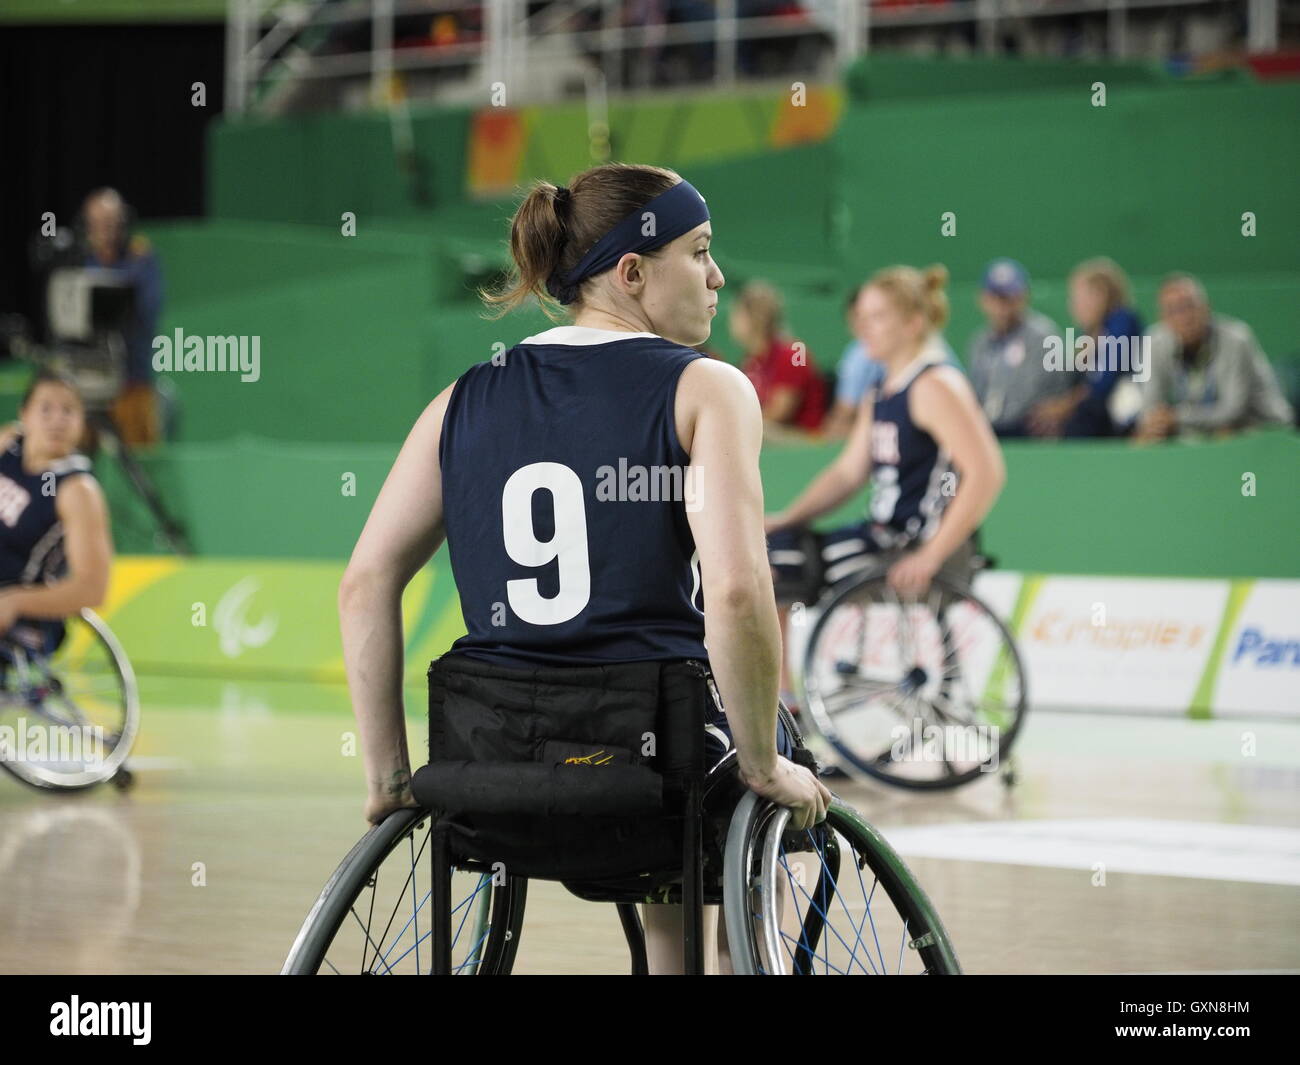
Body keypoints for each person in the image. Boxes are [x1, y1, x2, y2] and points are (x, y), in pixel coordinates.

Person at [338, 163, 831, 975]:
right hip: (649, 760)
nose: (717, 277)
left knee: (668, 748)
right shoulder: (708, 388)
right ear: (632, 272)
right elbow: (740, 592)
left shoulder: (462, 397)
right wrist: (760, 761)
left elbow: (364, 583)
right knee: (755, 771)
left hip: (492, 764)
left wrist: (390, 776)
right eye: (700, 252)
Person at [765, 265, 1006, 705]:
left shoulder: (934, 384)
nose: (862, 326)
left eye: (876, 316)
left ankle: (786, 707)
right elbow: (847, 474)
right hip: (883, 536)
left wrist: (931, 556)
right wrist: (788, 516)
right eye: (861, 315)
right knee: (775, 545)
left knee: (777, 560)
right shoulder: (881, 391)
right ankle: (784, 699)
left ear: (914, 323)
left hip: (919, 545)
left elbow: (987, 473)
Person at [0, 370, 113, 651]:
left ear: (82, 422)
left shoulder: (77, 490)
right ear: (24, 414)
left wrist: (13, 601)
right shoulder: (8, 444)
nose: (57, 420)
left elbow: (92, 588)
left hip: (21, 613)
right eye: (46, 408)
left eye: (68, 411)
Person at [1134, 273, 1293, 441]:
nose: (1184, 317)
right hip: (1205, 433)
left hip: (1266, 431)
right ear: (1163, 318)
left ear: (1206, 307)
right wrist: (1156, 423)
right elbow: (1150, 408)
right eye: (1173, 310)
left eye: (1189, 306)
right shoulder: (1153, 341)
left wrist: (1176, 417)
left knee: (1226, 432)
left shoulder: (1236, 339)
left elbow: (1232, 410)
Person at [81, 188, 165, 449]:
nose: (104, 229)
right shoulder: (82, 263)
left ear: (124, 221)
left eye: (110, 221)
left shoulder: (142, 260)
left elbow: (147, 313)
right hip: (85, 385)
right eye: (96, 222)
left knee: (140, 460)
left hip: (132, 383)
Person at [1031, 257, 1142, 438]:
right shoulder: (1085, 335)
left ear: (1100, 294)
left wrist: (1066, 406)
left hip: (1119, 414)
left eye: (1077, 297)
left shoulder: (1122, 321)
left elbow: (1104, 381)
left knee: (1085, 416)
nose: (1073, 306)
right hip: (1096, 412)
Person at [966, 258, 1070, 438]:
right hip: (988, 431)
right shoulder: (979, 342)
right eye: (996, 297)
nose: (1002, 306)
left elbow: (1055, 391)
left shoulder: (1045, 337)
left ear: (1024, 296)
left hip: (1030, 433)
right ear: (983, 299)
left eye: (1008, 298)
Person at [729, 280, 827, 439]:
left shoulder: (796, 351)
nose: (732, 321)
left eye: (737, 314)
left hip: (804, 440)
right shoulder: (751, 361)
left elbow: (780, 413)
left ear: (754, 317)